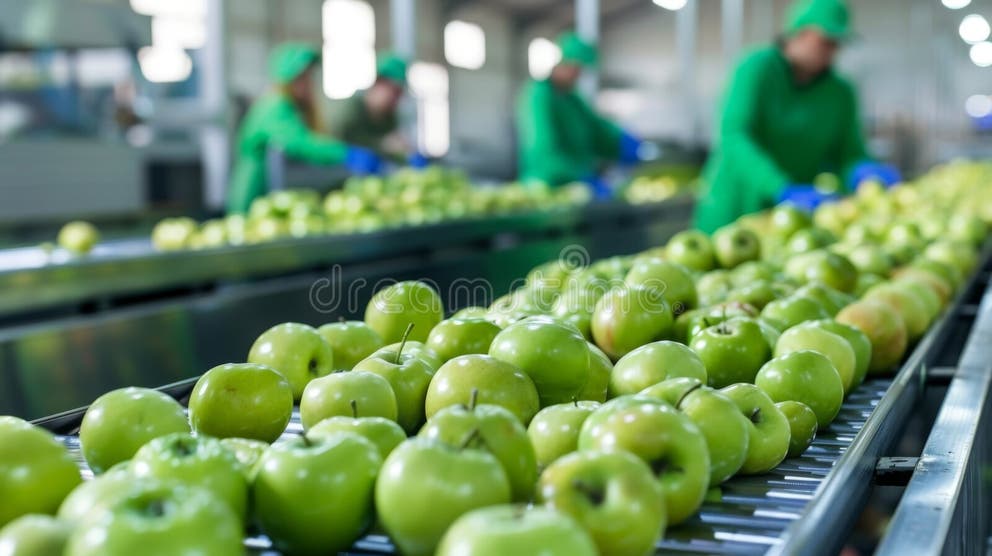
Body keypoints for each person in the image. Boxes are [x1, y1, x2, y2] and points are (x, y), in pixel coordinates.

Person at [693, 0, 900, 233]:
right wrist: (780, 187)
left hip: (795, 215)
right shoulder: (755, 69)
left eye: (837, 44)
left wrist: (862, 170)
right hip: (737, 203)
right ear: (798, 32)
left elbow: (849, 151)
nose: (832, 51)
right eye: (825, 41)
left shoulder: (840, 92)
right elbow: (734, 136)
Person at [227, 43, 381, 215]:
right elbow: (302, 143)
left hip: (270, 193)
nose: (307, 83)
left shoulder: (291, 107)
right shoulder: (275, 106)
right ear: (287, 79)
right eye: (301, 78)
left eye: (308, 77)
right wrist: (345, 154)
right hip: (254, 192)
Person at [516, 32, 642, 197]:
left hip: (577, 186)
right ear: (560, 62)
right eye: (574, 68)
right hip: (546, 185)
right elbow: (543, 148)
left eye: (580, 70)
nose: (577, 75)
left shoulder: (573, 99)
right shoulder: (539, 96)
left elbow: (596, 128)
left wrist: (619, 139)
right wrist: (577, 174)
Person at [328, 54, 426, 167]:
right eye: (394, 92)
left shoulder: (388, 117)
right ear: (379, 84)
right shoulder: (351, 110)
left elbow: (390, 148)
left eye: (399, 95)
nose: (396, 100)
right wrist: (382, 144)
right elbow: (339, 143)